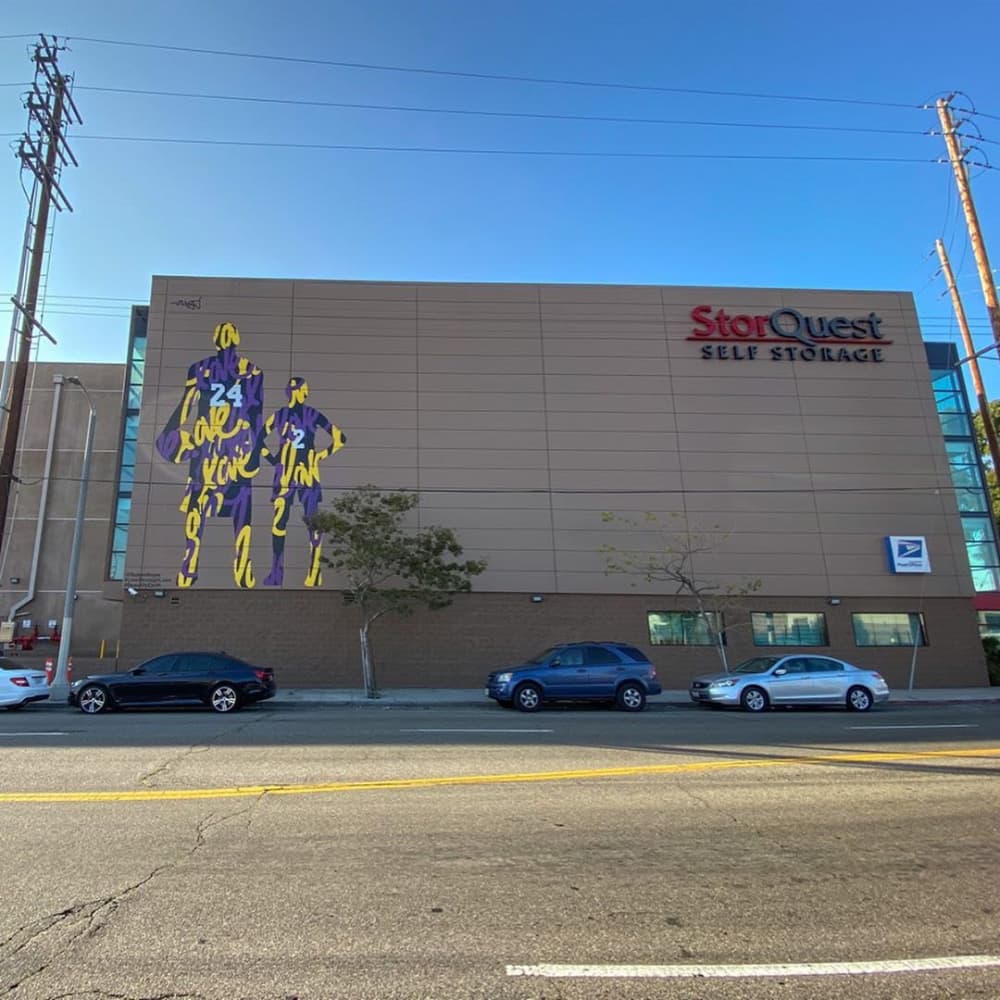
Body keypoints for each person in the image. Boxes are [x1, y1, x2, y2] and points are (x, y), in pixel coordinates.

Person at [155, 321, 264, 588]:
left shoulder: (251, 371)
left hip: (234, 444)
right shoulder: (202, 369)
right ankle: (190, 565)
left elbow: (256, 414)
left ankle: (240, 565)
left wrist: (255, 452)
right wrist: (172, 431)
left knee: (239, 507)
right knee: (200, 506)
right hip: (210, 442)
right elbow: (187, 403)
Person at [261, 377, 345, 587]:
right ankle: (277, 571)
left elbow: (340, 438)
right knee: (281, 521)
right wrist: (273, 460)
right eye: (302, 389)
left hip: (304, 473)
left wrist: (319, 455)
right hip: (288, 474)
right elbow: (258, 439)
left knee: (311, 522)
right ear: (296, 391)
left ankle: (313, 571)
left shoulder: (311, 414)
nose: (304, 392)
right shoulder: (280, 415)